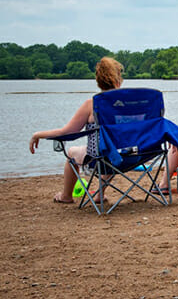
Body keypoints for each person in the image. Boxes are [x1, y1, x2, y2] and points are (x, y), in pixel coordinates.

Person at [29, 57, 123, 204]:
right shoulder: (129, 104)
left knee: (73, 152)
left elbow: (66, 133)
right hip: (128, 155)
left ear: (98, 81)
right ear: (119, 80)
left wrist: (38, 134)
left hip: (100, 157)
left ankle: (66, 196)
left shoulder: (92, 104)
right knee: (112, 150)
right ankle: (99, 194)